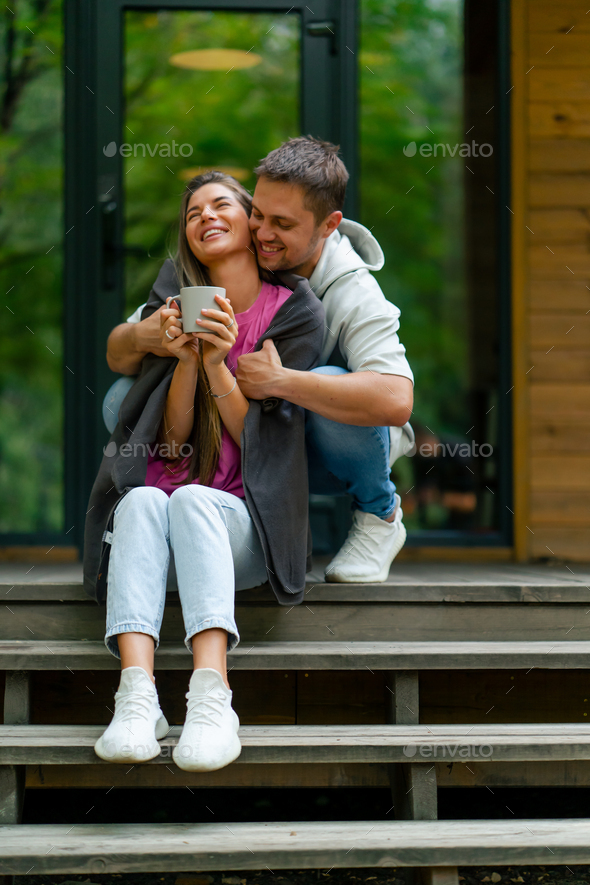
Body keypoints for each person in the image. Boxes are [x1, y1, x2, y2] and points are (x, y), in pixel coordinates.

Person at [84, 171, 324, 772]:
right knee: (140, 500)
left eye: (221, 205)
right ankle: (137, 700)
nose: (205, 217)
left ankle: (211, 700)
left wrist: (222, 366)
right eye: (193, 213)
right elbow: (170, 443)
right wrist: (185, 358)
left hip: (245, 524)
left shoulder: (293, 314)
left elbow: (263, 448)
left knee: (193, 500)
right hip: (166, 526)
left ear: (252, 222)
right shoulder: (175, 301)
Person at [105, 137, 415, 583]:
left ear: (329, 226)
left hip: (321, 450)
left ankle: (379, 514)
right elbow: (118, 354)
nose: (264, 233)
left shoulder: (351, 289)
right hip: (237, 446)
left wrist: (282, 381)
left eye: (283, 224)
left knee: (328, 379)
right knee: (121, 399)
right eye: (258, 214)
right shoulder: (224, 260)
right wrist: (143, 334)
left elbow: (395, 399)